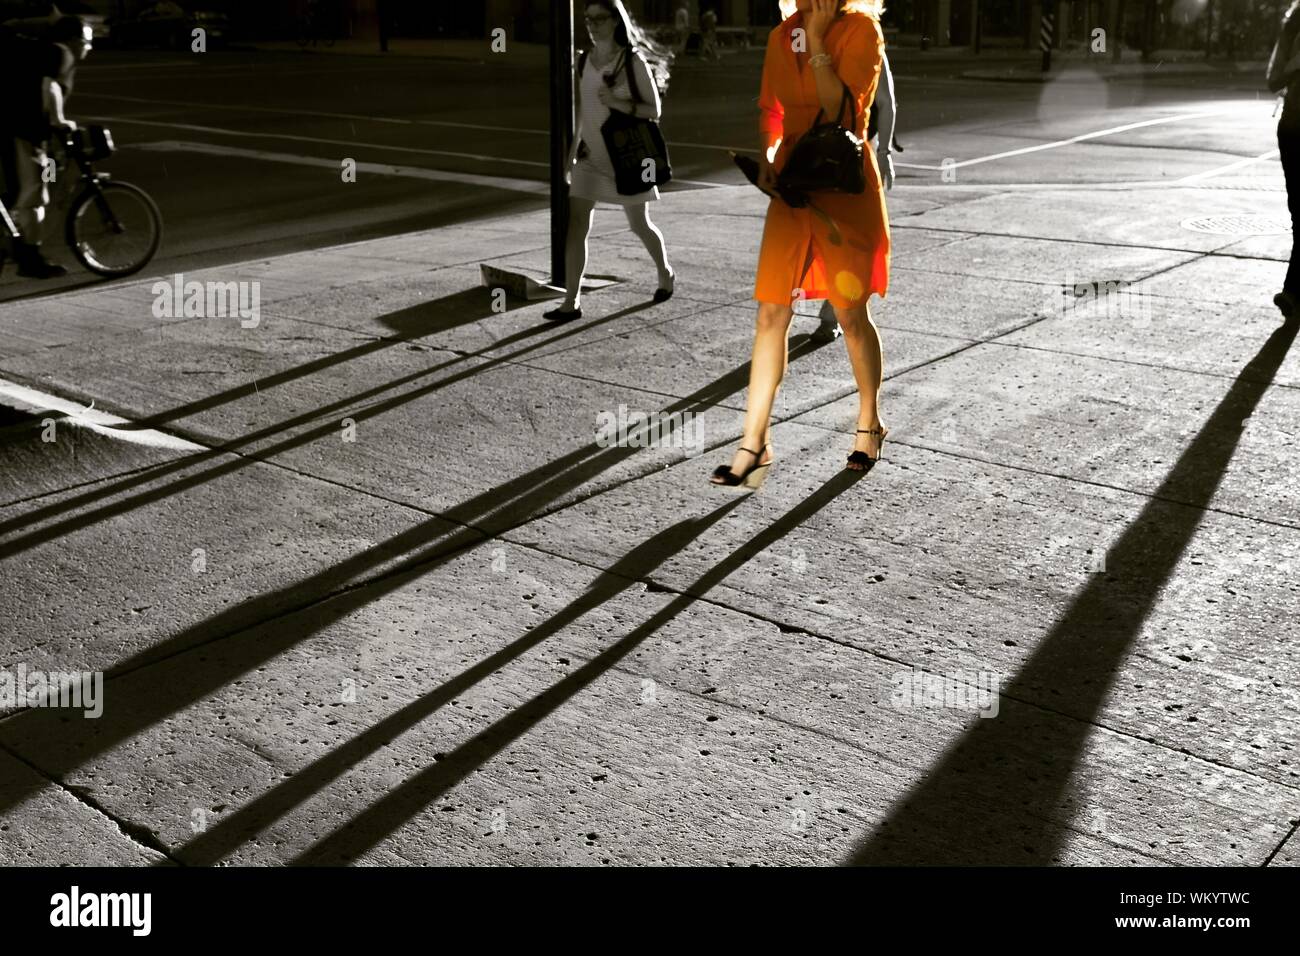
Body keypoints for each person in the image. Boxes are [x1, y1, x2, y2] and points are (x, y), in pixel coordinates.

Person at [711, 0, 890, 487]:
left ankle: (869, 422)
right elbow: (772, 108)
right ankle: (755, 444)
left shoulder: (860, 31)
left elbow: (841, 112)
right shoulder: (778, 36)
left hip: (842, 186)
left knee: (851, 316)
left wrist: (815, 40)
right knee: (771, 313)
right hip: (792, 186)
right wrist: (769, 152)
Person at [544, 1, 675, 321]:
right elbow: (584, 112)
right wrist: (570, 154)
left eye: (600, 19)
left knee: (639, 224)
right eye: (588, 19)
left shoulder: (633, 63)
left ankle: (665, 272)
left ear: (616, 21)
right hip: (590, 159)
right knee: (576, 225)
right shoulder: (583, 61)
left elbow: (653, 112)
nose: (592, 25)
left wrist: (617, 101)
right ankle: (571, 302)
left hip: (626, 160)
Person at [0, 15, 93, 279]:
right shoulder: (60, 54)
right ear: (74, 41)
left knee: (20, 190)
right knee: (34, 195)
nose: (90, 47)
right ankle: (29, 258)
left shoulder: (37, 50)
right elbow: (49, 85)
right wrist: (59, 121)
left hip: (17, 128)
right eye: (87, 41)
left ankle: (13, 243)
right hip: (23, 131)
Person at [813, 45, 895, 343]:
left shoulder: (826, 42)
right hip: (841, 153)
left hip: (836, 153)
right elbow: (888, 104)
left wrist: (883, 151)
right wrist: (883, 152)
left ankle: (833, 310)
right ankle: (833, 308)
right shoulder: (862, 42)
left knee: (844, 238)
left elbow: (886, 103)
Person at [1268, 0, 1300, 322]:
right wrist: (1296, 64)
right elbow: (1272, 79)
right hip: (1293, 129)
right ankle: (1293, 292)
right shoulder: (1293, 23)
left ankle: (1293, 291)